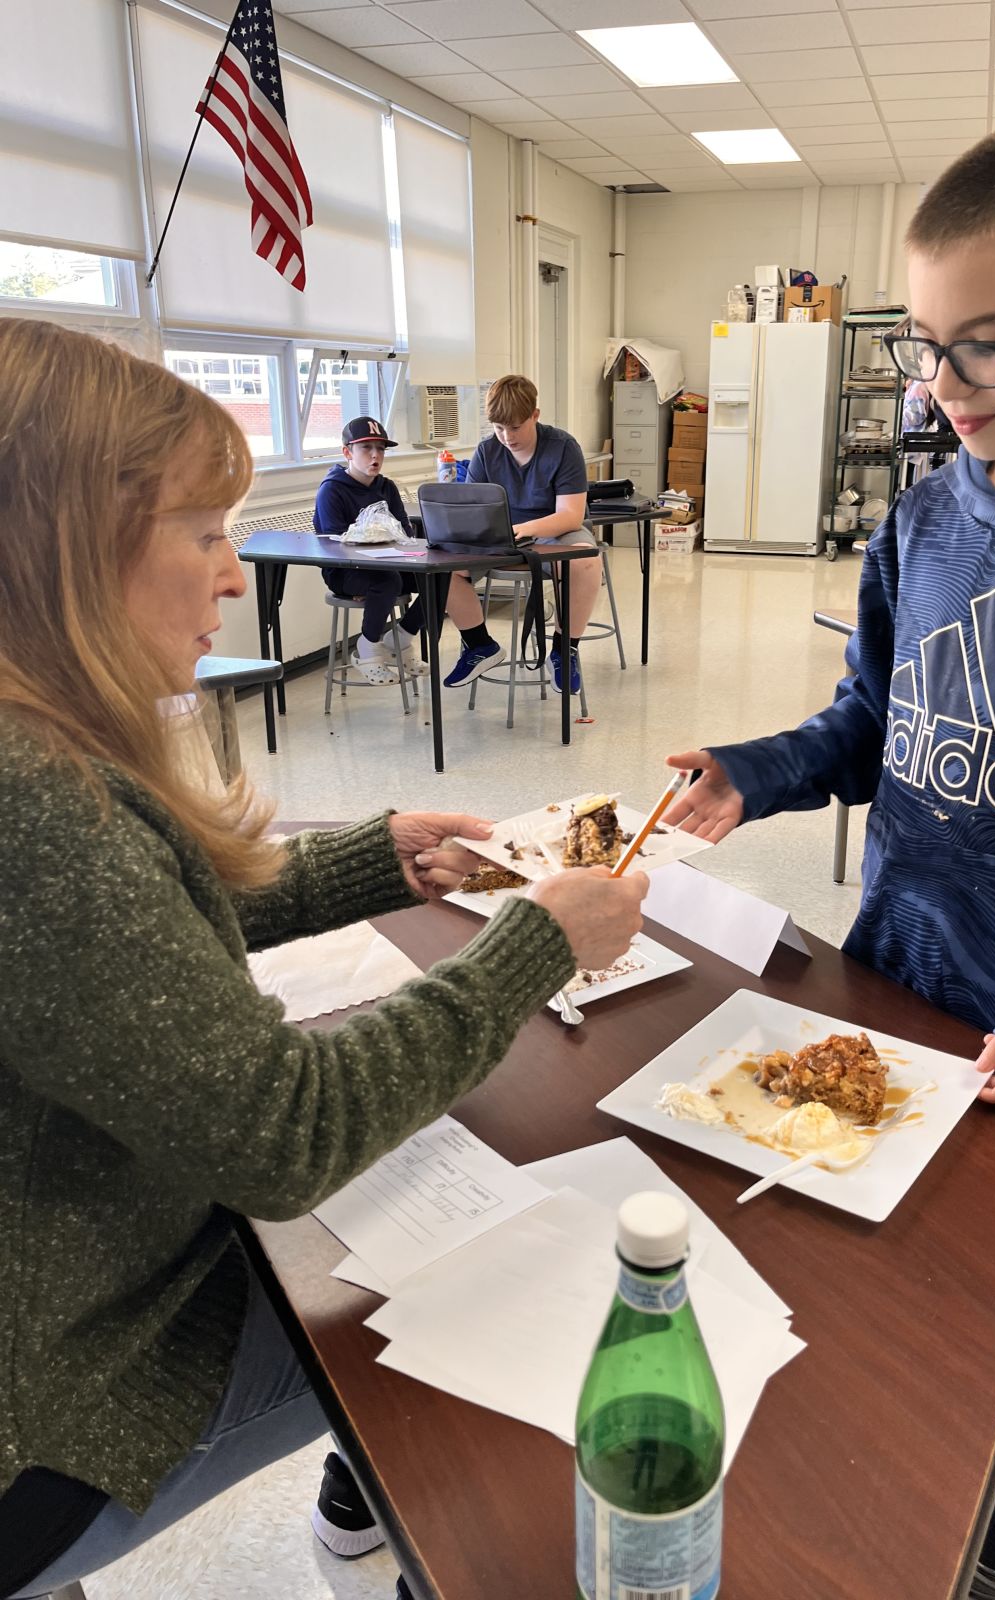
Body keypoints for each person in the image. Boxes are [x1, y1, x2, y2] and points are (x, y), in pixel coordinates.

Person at [0, 318, 648, 1599]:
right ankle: (423, 1545)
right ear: (78, 553)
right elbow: (284, 1136)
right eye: (205, 536)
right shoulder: (34, 808)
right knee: (500, 1260)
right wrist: (536, 943)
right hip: (50, 1413)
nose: (232, 580)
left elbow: (127, 947)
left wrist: (368, 859)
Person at [664, 111, 995, 1600]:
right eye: (925, 345)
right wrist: (755, 773)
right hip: (895, 990)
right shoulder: (924, 522)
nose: (941, 385)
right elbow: (867, 728)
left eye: (985, 344)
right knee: (879, 1263)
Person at [440, 374, 600, 697]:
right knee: (443, 566)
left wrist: (524, 530)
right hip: (501, 537)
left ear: (535, 416)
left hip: (556, 532)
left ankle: (564, 650)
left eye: (515, 427)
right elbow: (475, 510)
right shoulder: (487, 452)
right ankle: (479, 644)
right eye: (499, 428)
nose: (507, 437)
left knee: (585, 561)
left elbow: (570, 515)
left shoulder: (564, 448)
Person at [314, 416, 427, 683]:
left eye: (381, 449)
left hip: (388, 566)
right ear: (347, 452)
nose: (375, 455)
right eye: (366, 448)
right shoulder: (331, 491)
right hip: (345, 571)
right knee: (387, 581)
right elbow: (334, 544)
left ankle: (401, 638)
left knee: (440, 578)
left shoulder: (387, 487)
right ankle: (367, 648)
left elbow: (404, 532)